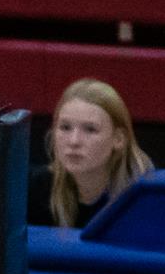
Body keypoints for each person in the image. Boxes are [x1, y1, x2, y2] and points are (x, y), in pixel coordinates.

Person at [28, 79, 154, 228]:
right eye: (65, 127)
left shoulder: (146, 196)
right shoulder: (34, 189)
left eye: (90, 129)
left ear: (118, 139)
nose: (74, 141)